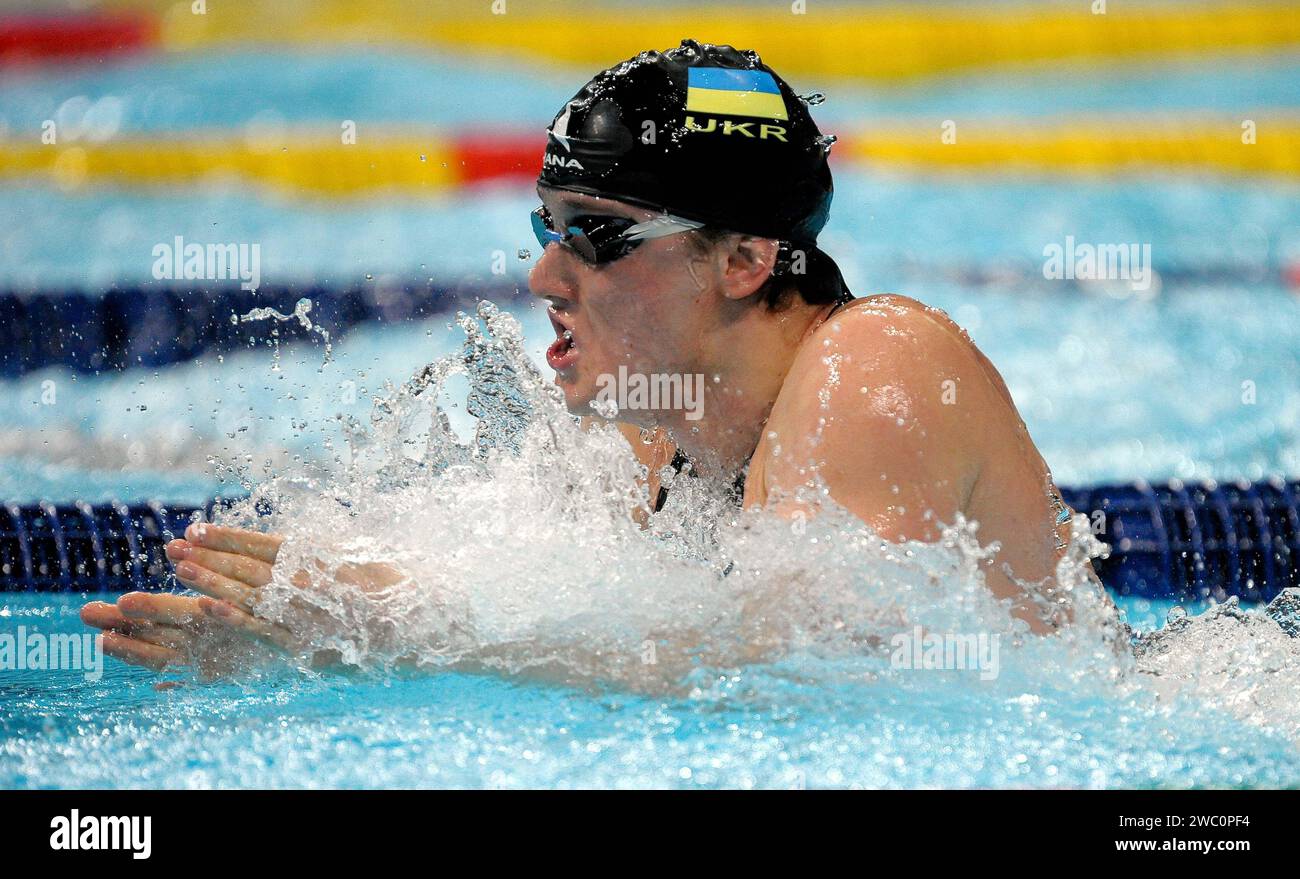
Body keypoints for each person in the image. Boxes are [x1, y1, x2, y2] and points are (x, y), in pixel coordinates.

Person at [82, 40, 1086, 674]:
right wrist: (298, 644)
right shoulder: (659, 443)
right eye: (546, 227)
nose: (545, 277)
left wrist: (396, 631)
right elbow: (575, 621)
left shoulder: (882, 361)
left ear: (741, 259)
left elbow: (795, 665)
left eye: (597, 233)